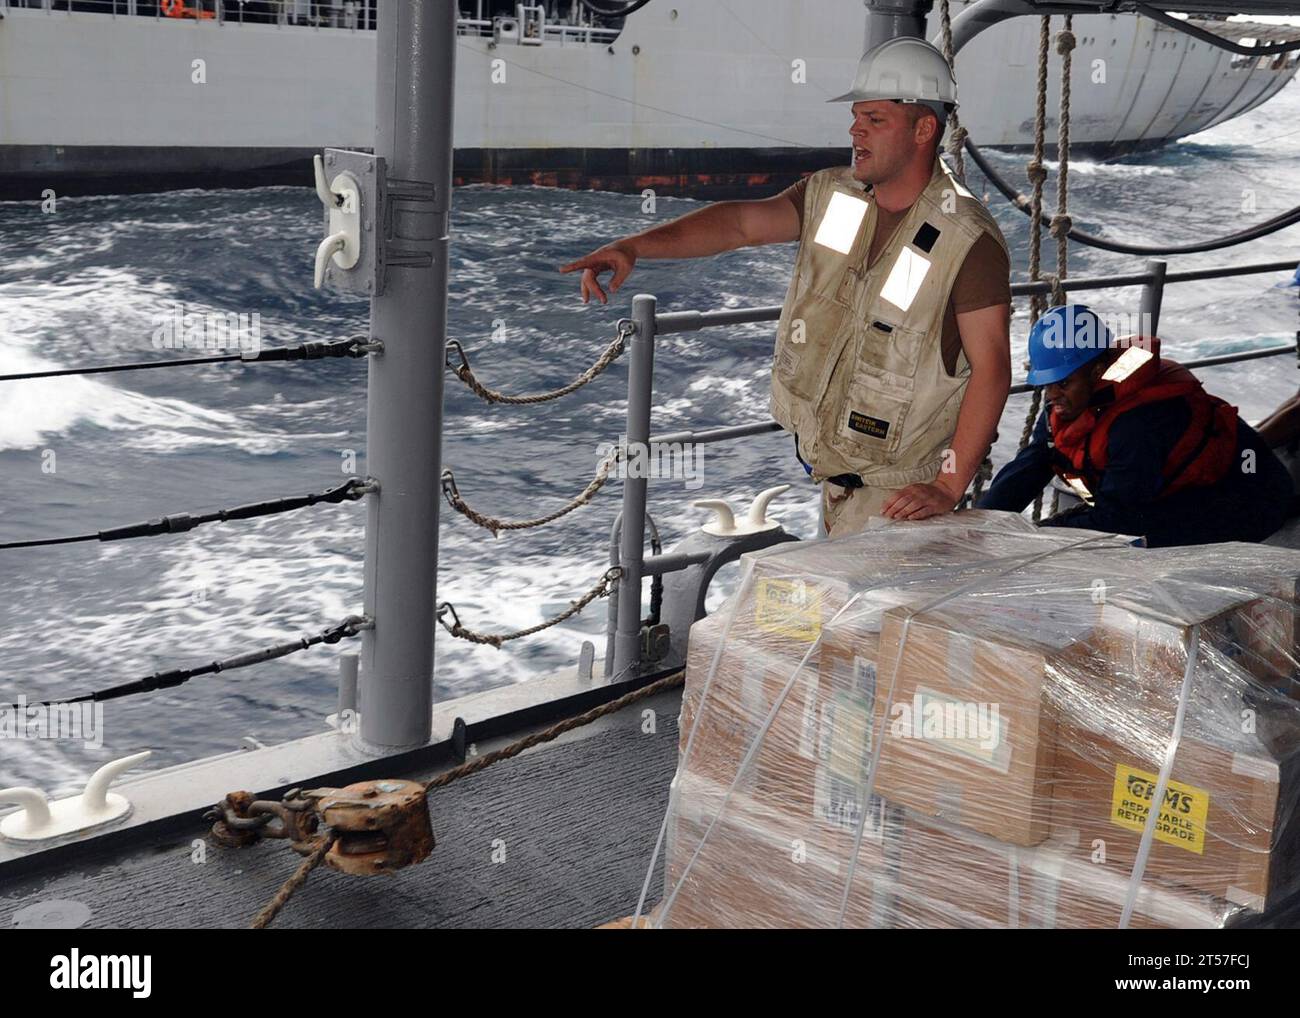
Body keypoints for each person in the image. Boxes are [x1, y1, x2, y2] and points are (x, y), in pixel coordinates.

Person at [560, 36, 1012, 537]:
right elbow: (739, 225)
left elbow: (991, 368)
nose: (855, 129)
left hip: (901, 498)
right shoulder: (835, 196)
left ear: (924, 128)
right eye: (856, 116)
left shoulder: (965, 239)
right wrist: (636, 247)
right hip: (833, 480)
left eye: (875, 119)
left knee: (870, 616)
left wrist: (948, 488)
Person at [977, 305, 1292, 546]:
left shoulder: (1138, 422)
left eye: (1062, 383)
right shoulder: (1069, 404)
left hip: (1247, 497)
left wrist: (1038, 536)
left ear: (1098, 370)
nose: (1052, 395)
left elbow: (1119, 521)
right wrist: (979, 525)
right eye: (1046, 384)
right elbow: (1029, 468)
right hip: (1171, 490)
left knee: (1138, 540)